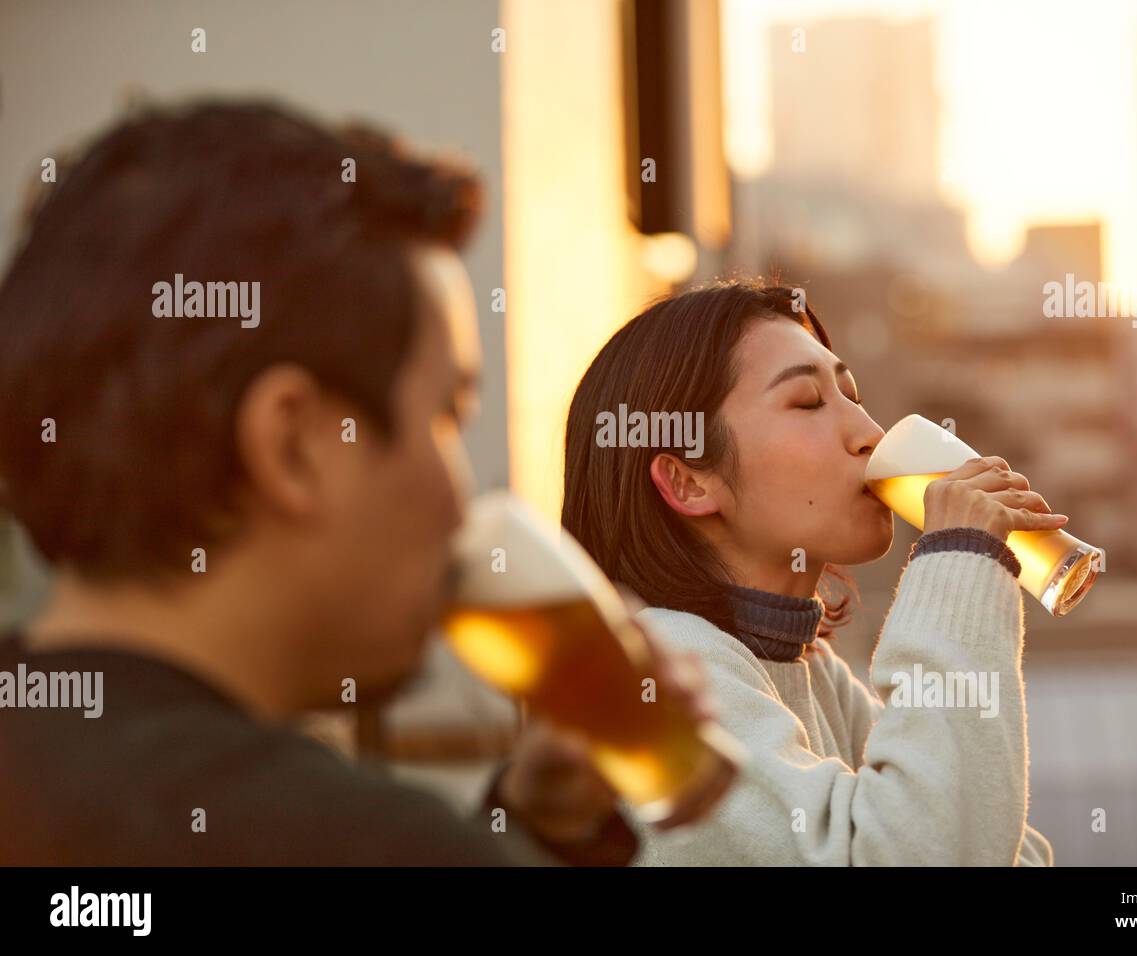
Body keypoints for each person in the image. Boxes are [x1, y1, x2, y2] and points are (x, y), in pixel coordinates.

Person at [0, 99, 719, 865]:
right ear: (295, 446)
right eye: (446, 414)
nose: (459, 503)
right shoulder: (353, 840)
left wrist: (541, 825)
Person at [562, 280, 1056, 865]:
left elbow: (990, 846)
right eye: (807, 402)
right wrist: (957, 565)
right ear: (689, 481)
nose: (871, 435)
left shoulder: (811, 671)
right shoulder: (661, 676)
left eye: (852, 395)